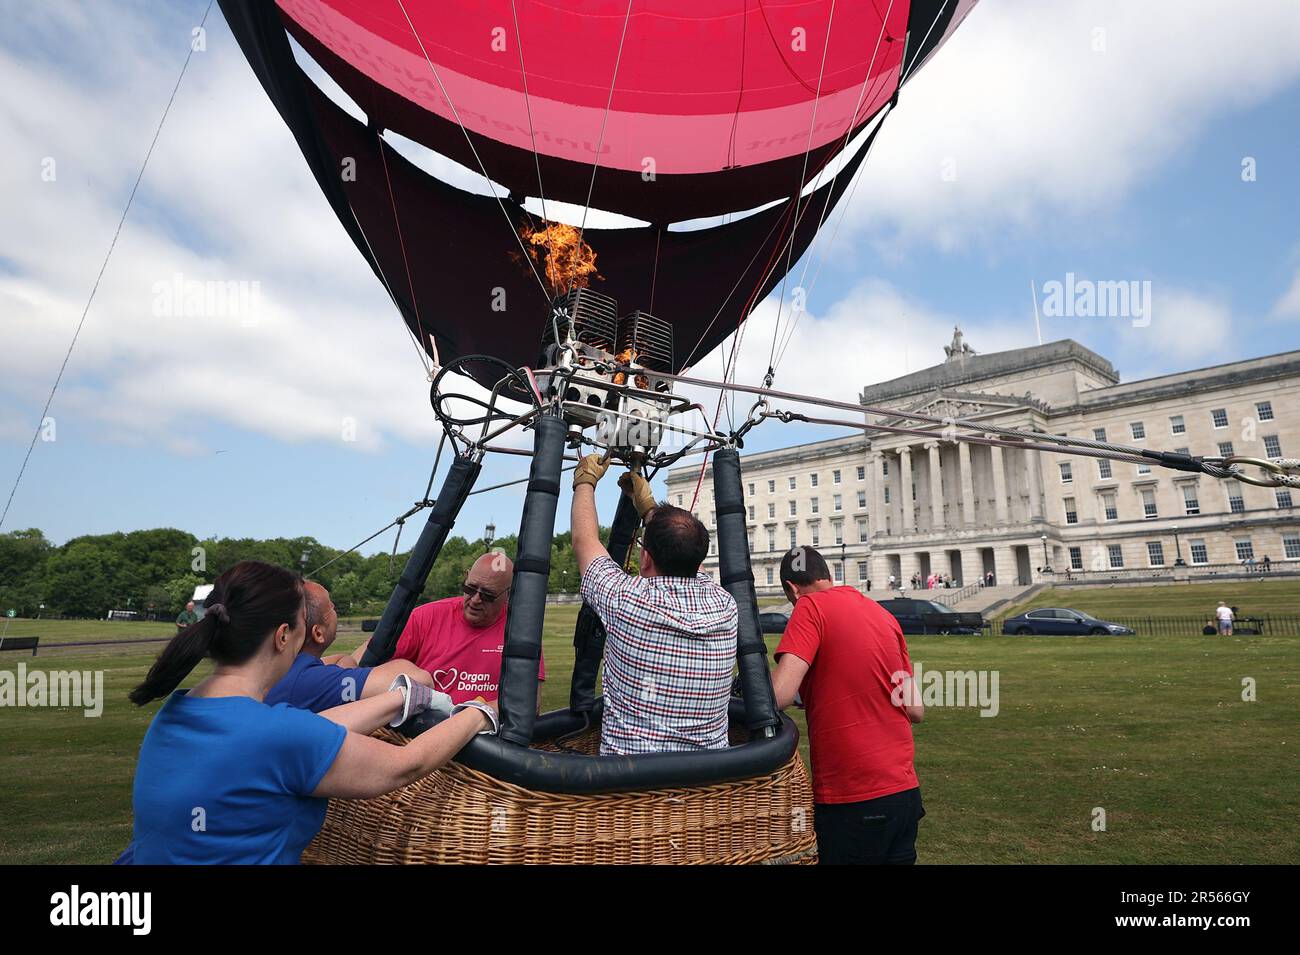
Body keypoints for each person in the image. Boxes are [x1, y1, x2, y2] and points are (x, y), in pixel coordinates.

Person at [122, 560, 497, 864]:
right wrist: (479, 712)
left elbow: (307, 732)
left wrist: (398, 699)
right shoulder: (275, 736)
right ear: (283, 636)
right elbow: (405, 764)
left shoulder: (177, 710)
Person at [570, 454, 737, 755]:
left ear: (645, 559)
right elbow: (686, 556)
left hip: (630, 784)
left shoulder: (625, 599)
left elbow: (585, 541)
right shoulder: (724, 605)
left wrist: (585, 481)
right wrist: (650, 510)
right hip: (709, 785)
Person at [770, 546, 924, 865]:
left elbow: (779, 695)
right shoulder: (882, 614)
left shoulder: (809, 606)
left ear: (792, 588)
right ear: (827, 574)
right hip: (904, 792)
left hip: (853, 793)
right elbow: (915, 709)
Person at [387, 553, 544, 705]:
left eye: (488, 595)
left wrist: (471, 718)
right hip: (420, 727)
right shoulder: (424, 617)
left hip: (487, 729)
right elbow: (371, 671)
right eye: (470, 588)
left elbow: (530, 702)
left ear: (509, 594)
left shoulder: (522, 631)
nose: (475, 600)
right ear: (467, 576)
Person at [265, 581, 437, 712]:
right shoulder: (314, 681)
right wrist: (337, 677)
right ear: (318, 634)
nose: (334, 609)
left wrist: (342, 670)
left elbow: (344, 659)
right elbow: (422, 679)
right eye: (330, 607)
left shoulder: (278, 667)